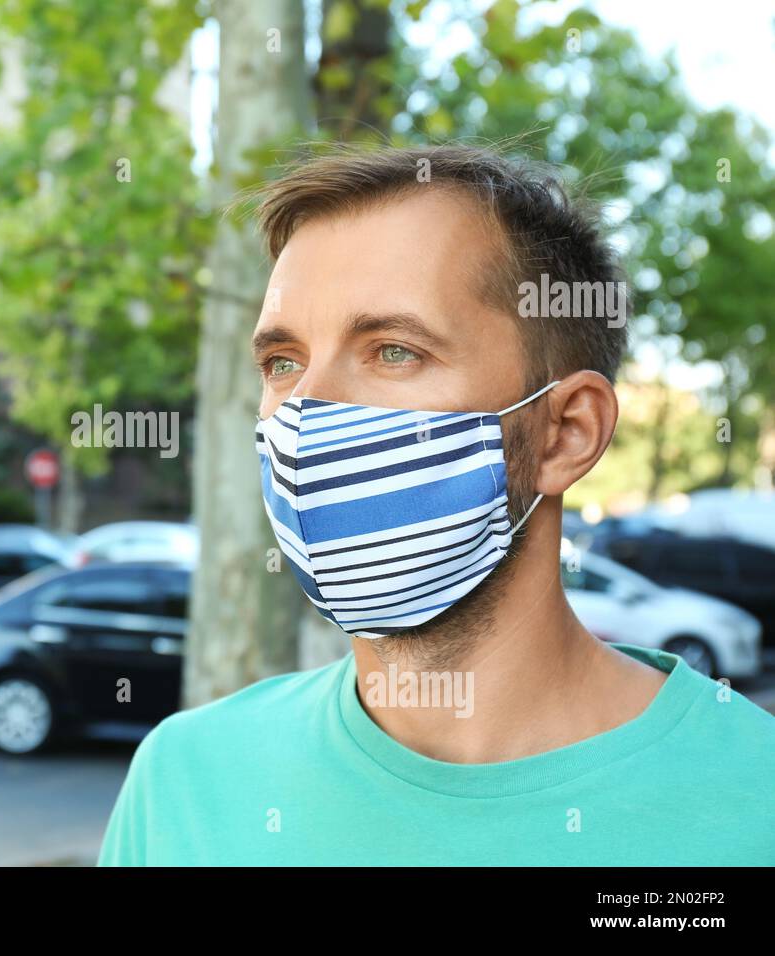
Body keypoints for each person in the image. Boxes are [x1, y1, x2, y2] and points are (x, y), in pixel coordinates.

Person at [97, 144, 775, 866]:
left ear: (566, 433)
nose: (303, 411)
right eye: (283, 362)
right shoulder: (183, 782)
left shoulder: (752, 800)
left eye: (393, 351)